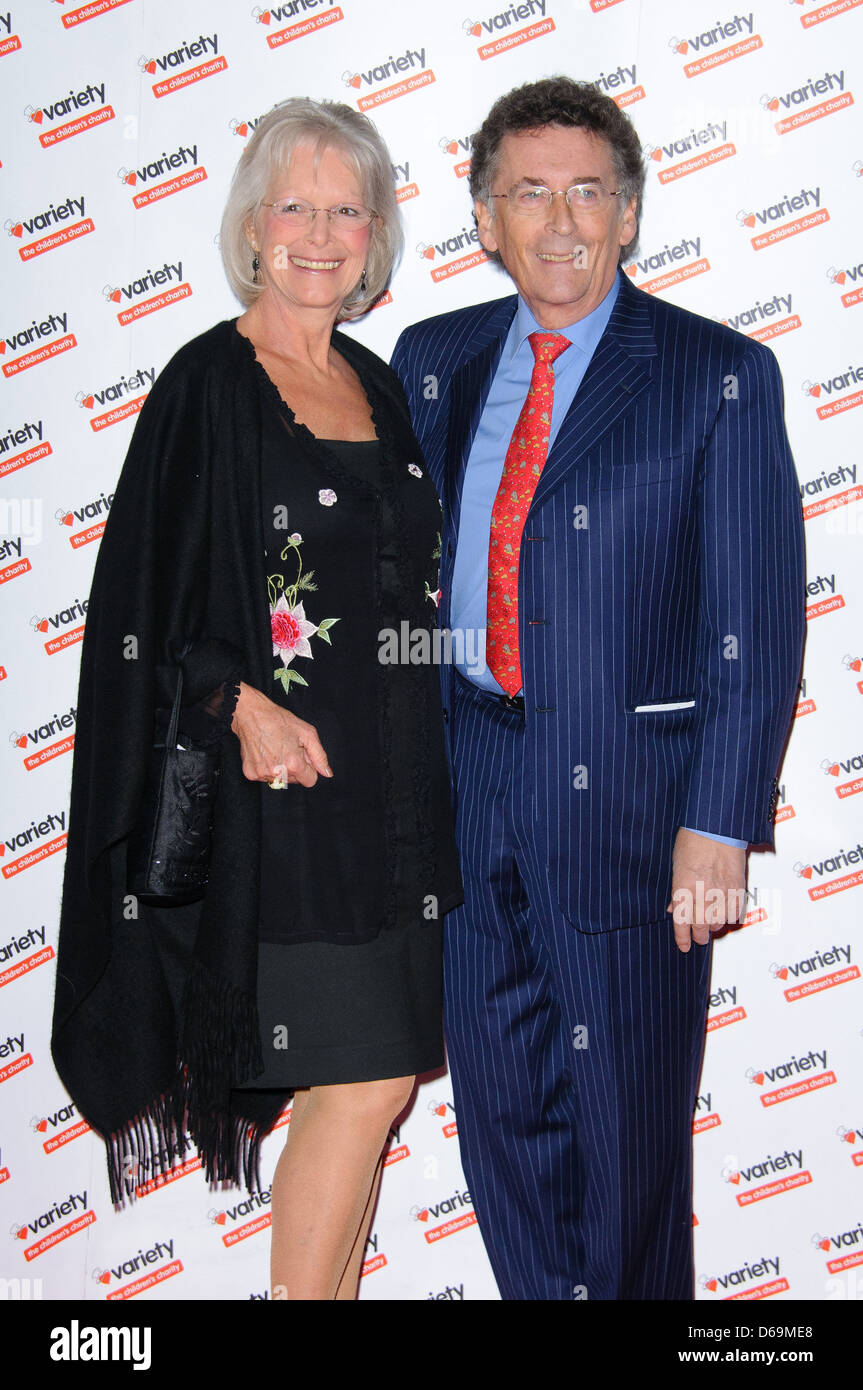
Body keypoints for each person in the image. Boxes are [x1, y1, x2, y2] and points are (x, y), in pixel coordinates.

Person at [391, 76, 805, 1300]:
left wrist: (718, 821)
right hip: (464, 788)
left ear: (628, 214)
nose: (560, 221)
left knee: (627, 1142)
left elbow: (753, 625)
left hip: (633, 811)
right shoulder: (431, 361)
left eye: (587, 192)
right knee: (502, 1124)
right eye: (528, 193)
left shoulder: (713, 372)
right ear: (484, 219)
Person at [51, 97, 461, 1301]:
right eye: (296, 207)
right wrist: (237, 702)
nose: (321, 235)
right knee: (360, 1082)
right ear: (252, 226)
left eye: (346, 210)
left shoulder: (379, 387)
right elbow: (141, 605)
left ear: (376, 233)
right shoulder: (208, 386)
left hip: (394, 805)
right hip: (283, 814)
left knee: (377, 1084)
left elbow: (403, 587)